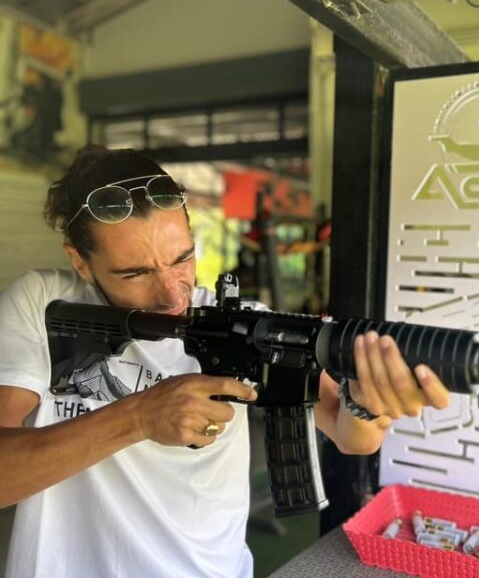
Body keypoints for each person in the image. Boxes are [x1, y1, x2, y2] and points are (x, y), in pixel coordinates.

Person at [0, 146, 450, 578]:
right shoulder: (41, 303)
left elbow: (354, 436)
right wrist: (138, 417)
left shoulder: (247, 325)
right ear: (80, 262)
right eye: (135, 273)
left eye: (183, 259)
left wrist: (368, 402)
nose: (172, 293)